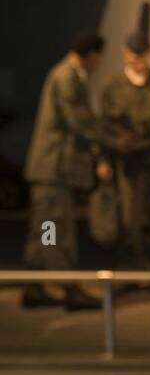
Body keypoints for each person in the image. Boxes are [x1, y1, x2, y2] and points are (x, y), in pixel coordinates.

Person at [21, 31, 107, 310]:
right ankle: (70, 289)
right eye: (99, 57)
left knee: (42, 229)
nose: (98, 64)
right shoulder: (67, 76)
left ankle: (33, 288)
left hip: (46, 169)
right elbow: (77, 120)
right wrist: (108, 136)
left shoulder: (61, 73)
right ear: (91, 54)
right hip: (54, 168)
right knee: (59, 229)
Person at [99, 30, 150, 269]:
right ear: (125, 53)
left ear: (148, 55)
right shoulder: (113, 85)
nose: (136, 60)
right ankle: (133, 266)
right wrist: (102, 160)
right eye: (133, 54)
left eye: (141, 55)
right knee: (130, 216)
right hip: (128, 160)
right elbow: (104, 125)